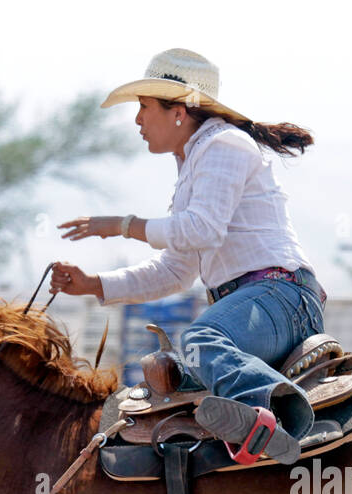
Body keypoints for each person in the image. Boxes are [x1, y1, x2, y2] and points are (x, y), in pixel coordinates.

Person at [49, 48, 324, 464]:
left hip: (281, 298)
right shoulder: (196, 162)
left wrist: (122, 225)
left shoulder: (225, 145)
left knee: (199, 340)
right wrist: (95, 285)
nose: (137, 120)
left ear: (178, 111)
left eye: (144, 107)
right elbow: (176, 271)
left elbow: (201, 229)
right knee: (174, 372)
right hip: (262, 304)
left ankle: (278, 420)